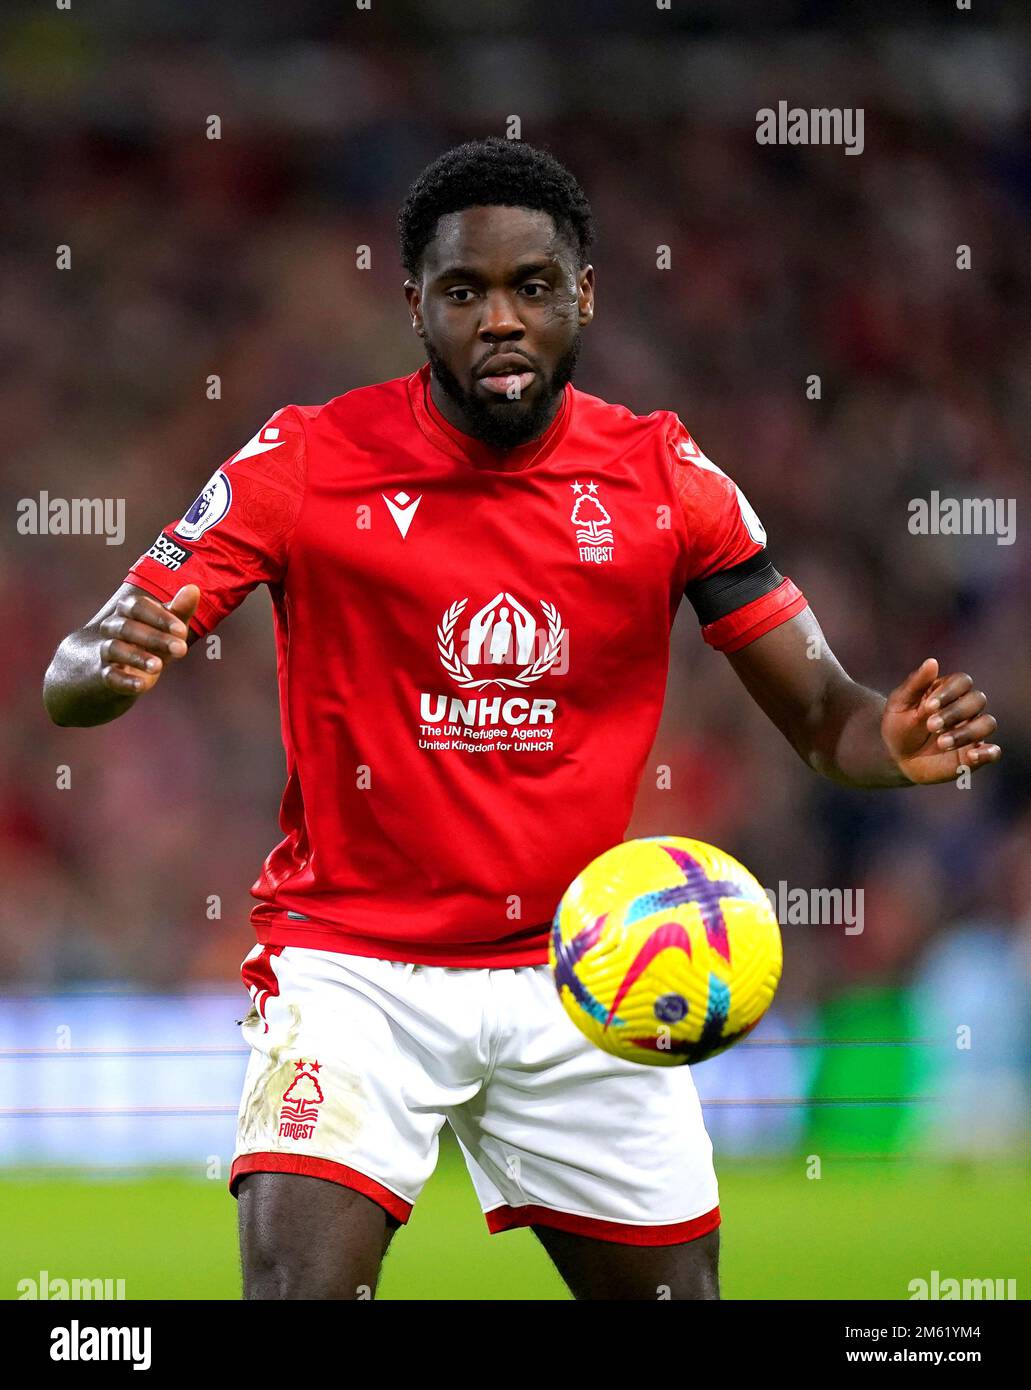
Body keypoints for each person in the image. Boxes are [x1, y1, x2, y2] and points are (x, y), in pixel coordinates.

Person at [43, 137, 1001, 1301]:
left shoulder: (664, 476)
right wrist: (115, 660)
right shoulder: (304, 460)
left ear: (582, 294)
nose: (500, 318)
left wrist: (889, 747)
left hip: (586, 973)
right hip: (356, 970)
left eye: (531, 287)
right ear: (414, 306)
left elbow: (823, 715)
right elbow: (76, 668)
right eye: (463, 291)